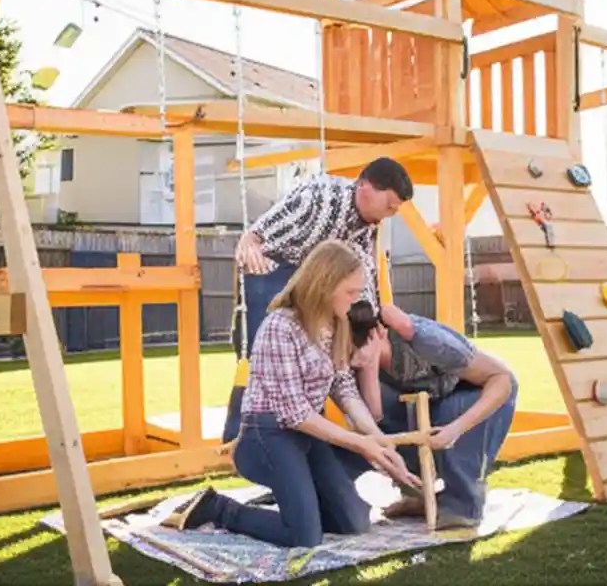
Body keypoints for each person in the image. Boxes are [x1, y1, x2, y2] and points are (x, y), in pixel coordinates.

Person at [168, 241, 420, 547]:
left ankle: (304, 505)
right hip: (268, 435)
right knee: (304, 536)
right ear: (325, 284)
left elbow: (341, 385)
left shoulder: (336, 322)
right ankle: (217, 508)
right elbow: (294, 414)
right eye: (350, 292)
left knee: (354, 522)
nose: (355, 301)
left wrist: (379, 440)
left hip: (309, 437)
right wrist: (363, 444)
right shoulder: (280, 326)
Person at [222, 157, 414, 442]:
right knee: (261, 343)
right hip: (273, 266)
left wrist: (370, 322)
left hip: (310, 279)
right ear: (365, 188)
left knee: (324, 341)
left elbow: (364, 273)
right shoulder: (318, 197)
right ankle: (240, 430)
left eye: (395, 209)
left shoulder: (366, 226)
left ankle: (313, 419)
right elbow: (260, 231)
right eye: (388, 205)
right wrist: (249, 242)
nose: (389, 214)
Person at [348, 302, 518, 530]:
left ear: (378, 333)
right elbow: (375, 417)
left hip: (480, 392)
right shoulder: (356, 358)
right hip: (429, 397)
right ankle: (420, 495)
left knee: (449, 414)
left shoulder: (426, 340)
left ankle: (463, 505)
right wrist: (367, 366)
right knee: (390, 417)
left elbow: (501, 379)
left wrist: (454, 430)